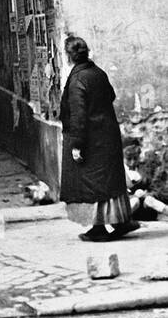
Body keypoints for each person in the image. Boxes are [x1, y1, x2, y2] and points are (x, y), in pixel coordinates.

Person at [59, 36, 138, 242]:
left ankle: (99, 228)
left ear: (69, 57)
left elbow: (78, 115)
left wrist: (76, 145)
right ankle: (122, 221)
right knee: (109, 181)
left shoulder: (77, 80)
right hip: (107, 135)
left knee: (91, 185)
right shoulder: (98, 73)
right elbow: (110, 96)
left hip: (91, 140)